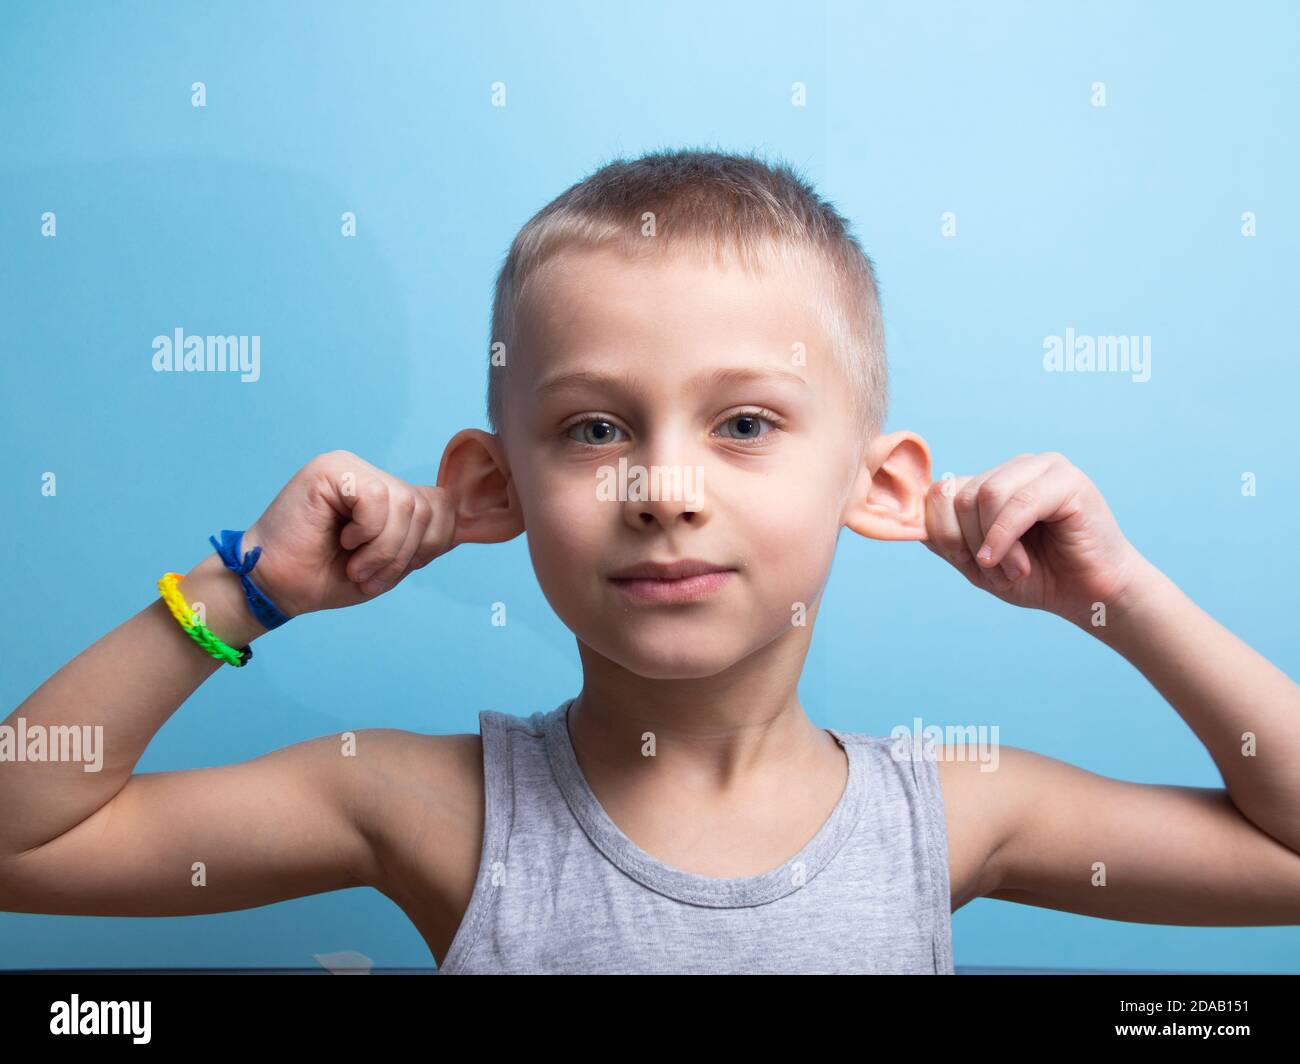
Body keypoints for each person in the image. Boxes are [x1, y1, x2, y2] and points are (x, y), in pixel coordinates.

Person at [3, 148, 1299, 974]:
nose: (665, 491)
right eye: (594, 429)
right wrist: (251, 590)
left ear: (881, 486)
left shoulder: (949, 815)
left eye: (746, 424)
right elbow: (20, 842)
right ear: (491, 487)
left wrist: (1120, 601)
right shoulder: (426, 807)